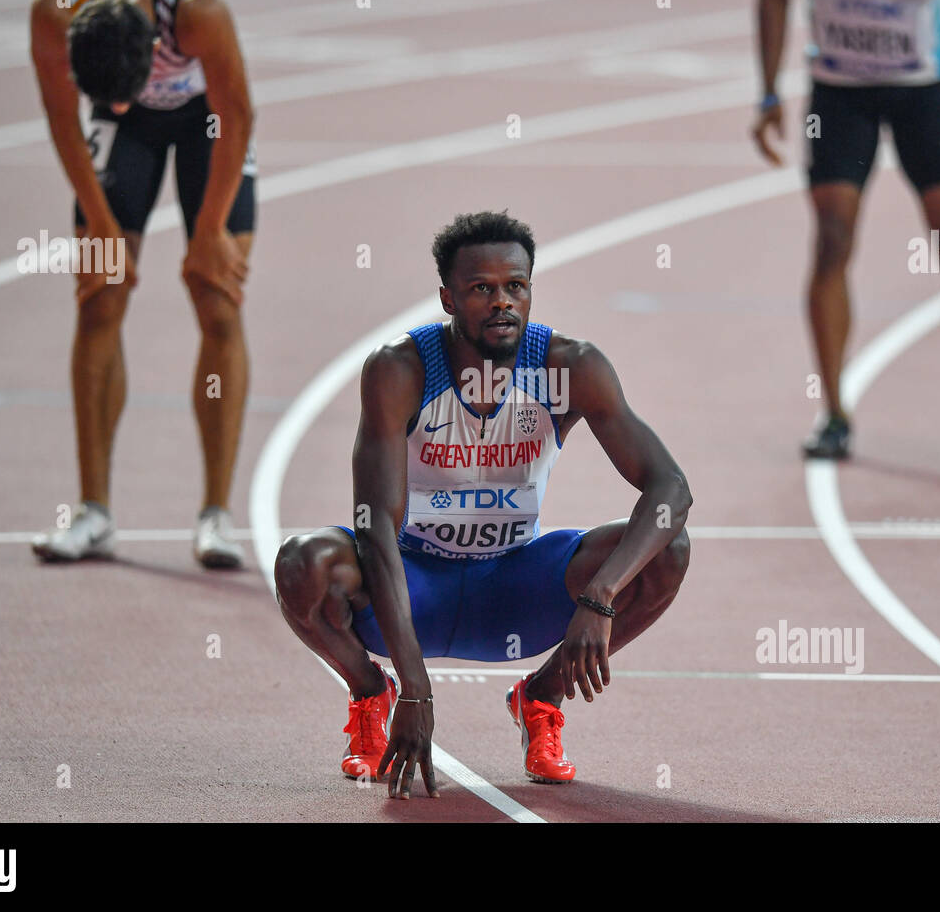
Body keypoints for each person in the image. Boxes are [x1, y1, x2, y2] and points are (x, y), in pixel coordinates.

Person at [274, 212, 692, 799]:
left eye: (515, 286)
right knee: (302, 561)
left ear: (530, 290)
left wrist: (600, 596)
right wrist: (416, 690)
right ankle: (372, 691)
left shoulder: (567, 367)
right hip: (415, 583)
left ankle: (540, 698)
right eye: (482, 289)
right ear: (448, 297)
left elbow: (671, 488)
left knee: (666, 548)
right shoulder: (401, 370)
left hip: (514, 586)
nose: (503, 303)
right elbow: (375, 532)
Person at [752, 0, 940, 465]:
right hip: (838, 95)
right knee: (832, 241)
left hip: (924, 90)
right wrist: (768, 90)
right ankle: (833, 414)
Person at [28, 0, 258, 567]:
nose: (127, 98)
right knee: (99, 296)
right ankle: (94, 514)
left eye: (130, 88)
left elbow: (237, 117)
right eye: (112, 93)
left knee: (218, 300)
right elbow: (62, 121)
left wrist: (208, 234)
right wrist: (101, 224)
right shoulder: (53, 14)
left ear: (157, 50)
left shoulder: (199, 13)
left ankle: (216, 517)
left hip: (207, 125)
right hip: (123, 139)